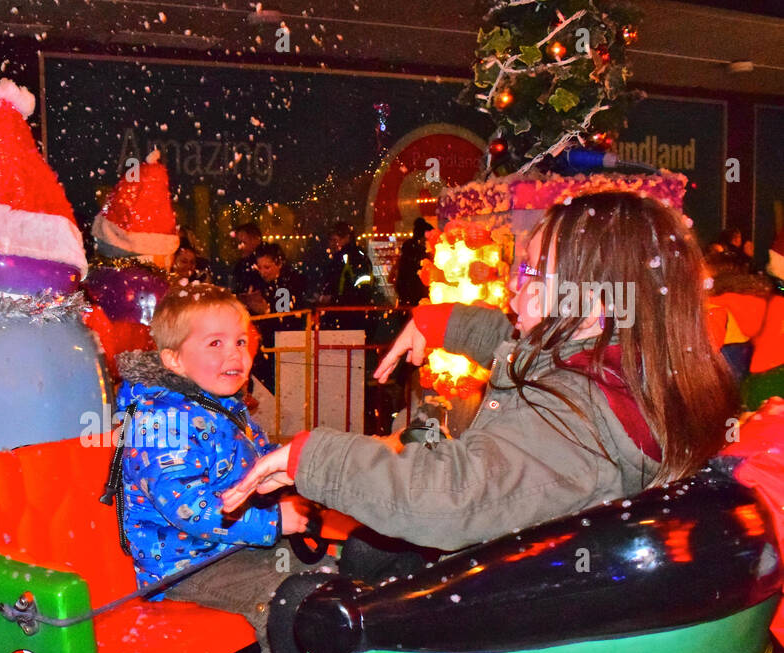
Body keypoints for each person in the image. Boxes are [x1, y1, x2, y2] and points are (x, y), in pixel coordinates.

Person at [224, 192, 739, 579]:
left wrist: (310, 458)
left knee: (302, 601)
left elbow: (448, 497)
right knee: (368, 551)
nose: (515, 285)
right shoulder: (638, 368)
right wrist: (439, 321)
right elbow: (525, 348)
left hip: (522, 604)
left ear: (596, 303)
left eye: (535, 274)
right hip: (551, 571)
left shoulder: (573, 418)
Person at [105, 284, 323, 653]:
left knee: (325, 573)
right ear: (173, 359)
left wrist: (297, 479)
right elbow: (189, 508)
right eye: (216, 343)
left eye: (241, 341)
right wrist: (275, 523)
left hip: (231, 547)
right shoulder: (158, 422)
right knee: (283, 598)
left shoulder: (220, 406)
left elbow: (255, 466)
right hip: (184, 565)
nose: (235, 355)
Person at [237, 242, 307, 315]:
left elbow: (285, 319)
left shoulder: (290, 284)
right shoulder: (257, 281)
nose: (262, 272)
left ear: (279, 264)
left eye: (267, 267)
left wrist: (266, 310)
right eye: (259, 267)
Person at [392, 217, 433, 307]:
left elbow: (401, 274)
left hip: (409, 293)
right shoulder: (420, 252)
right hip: (416, 292)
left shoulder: (409, 250)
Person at [229, 222, 263, 292]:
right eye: (239, 243)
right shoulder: (241, 265)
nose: (240, 247)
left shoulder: (264, 261)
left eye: (244, 242)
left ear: (256, 240)